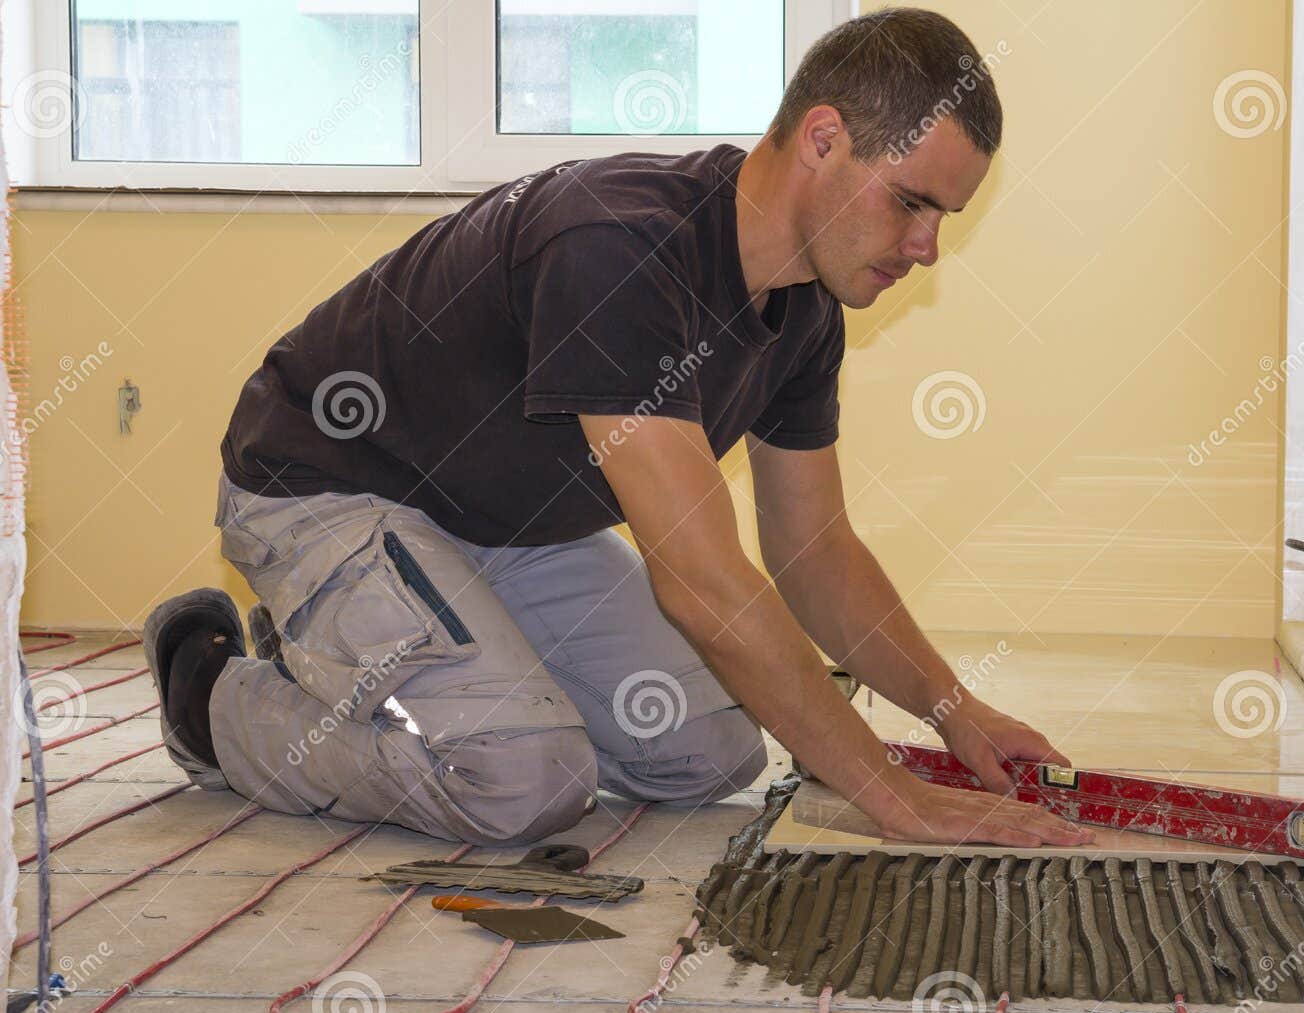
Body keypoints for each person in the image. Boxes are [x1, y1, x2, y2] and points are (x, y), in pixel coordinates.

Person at [143, 7, 1090, 851]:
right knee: (524, 779)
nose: (926, 249)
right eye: (912, 202)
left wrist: (956, 711)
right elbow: (706, 583)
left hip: (497, 526)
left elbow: (815, 551)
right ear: (824, 139)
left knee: (710, 750)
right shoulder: (619, 247)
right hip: (326, 487)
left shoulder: (804, 312)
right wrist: (893, 795)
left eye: (944, 217)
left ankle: (385, 655)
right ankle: (213, 695)